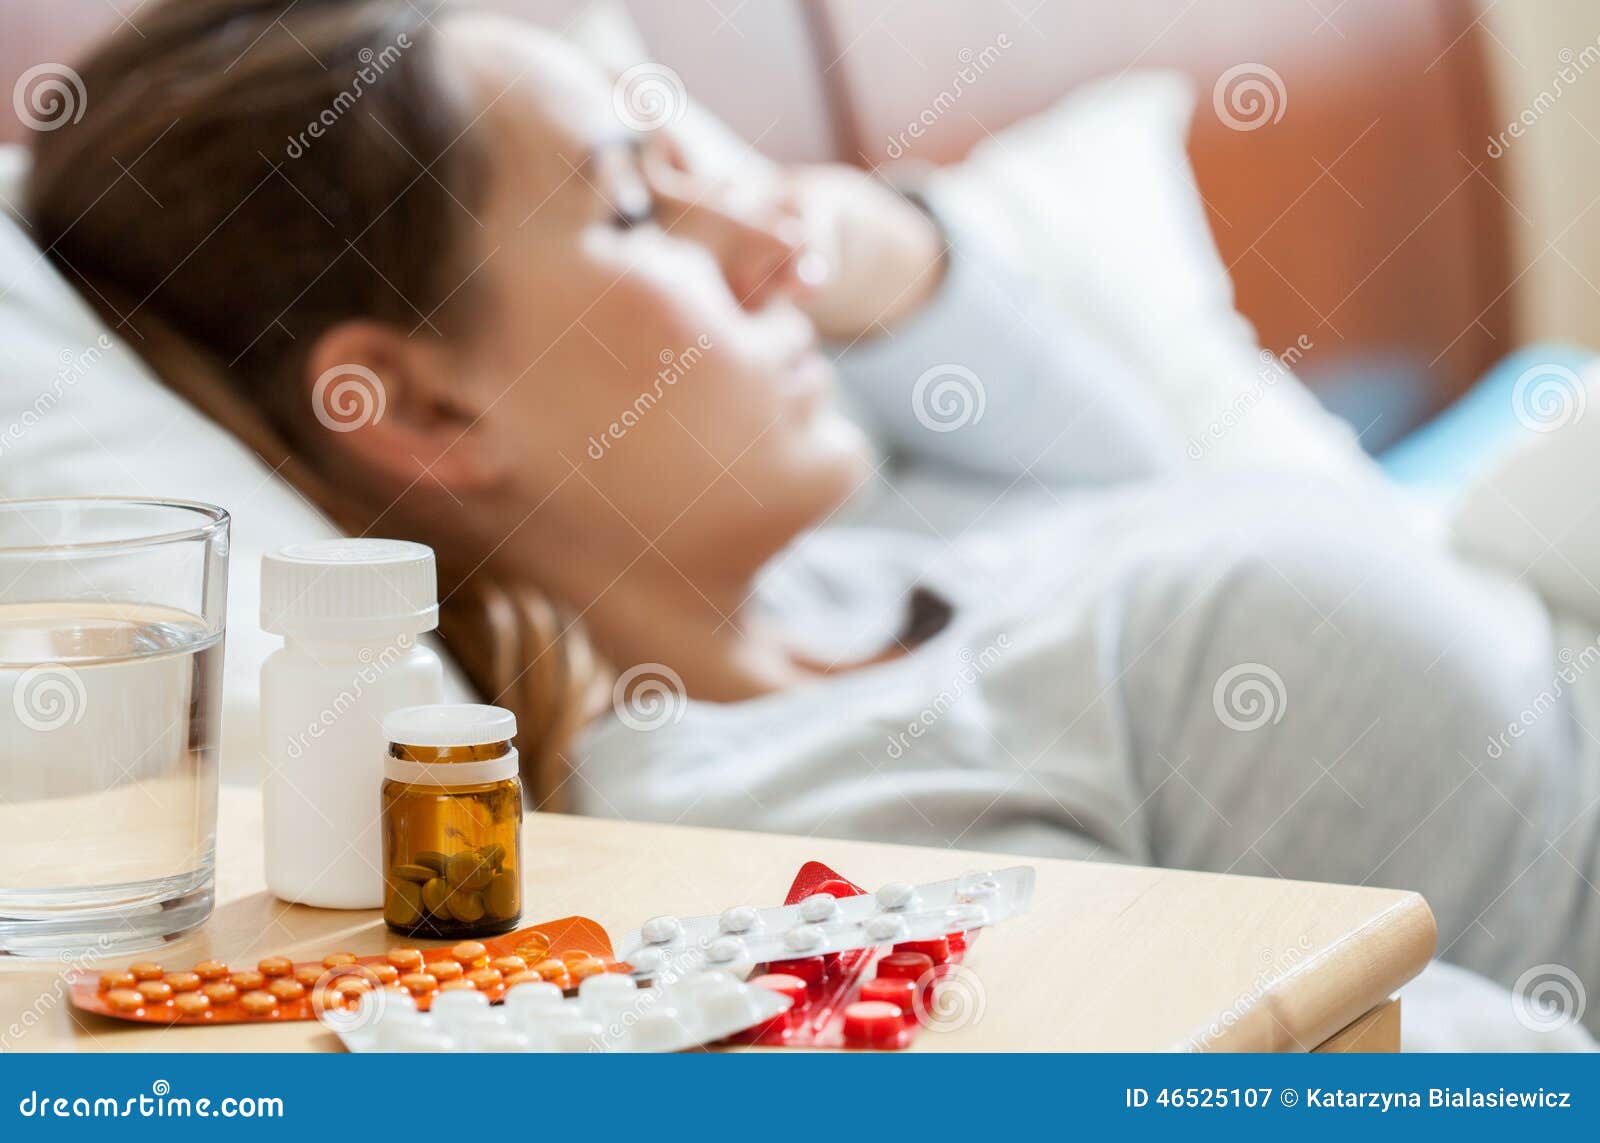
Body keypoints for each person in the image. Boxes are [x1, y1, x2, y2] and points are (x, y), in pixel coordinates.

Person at [26, 0, 1600, 1028]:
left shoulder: (891, 529)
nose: (759, 241)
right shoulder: (789, 840)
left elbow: (1119, 434)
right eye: (637, 206)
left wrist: (878, 253)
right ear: (428, 407)